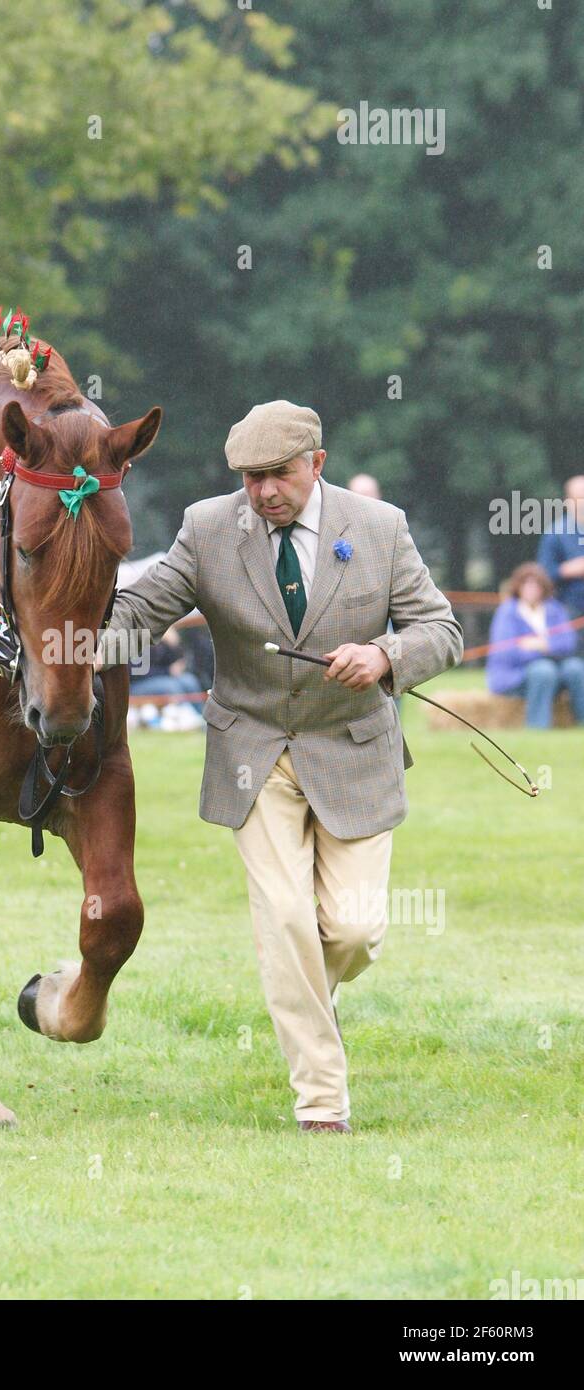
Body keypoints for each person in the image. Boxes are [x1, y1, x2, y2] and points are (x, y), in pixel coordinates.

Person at [99, 399, 463, 1134]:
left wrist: (385, 655)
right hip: (252, 755)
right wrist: (57, 640)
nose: (262, 491)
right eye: (249, 477)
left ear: (315, 465)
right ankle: (322, 1104)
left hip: (355, 753)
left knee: (353, 932)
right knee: (288, 918)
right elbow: (137, 614)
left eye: (277, 475)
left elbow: (441, 628)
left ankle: (294, 989)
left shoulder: (379, 527)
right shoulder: (207, 529)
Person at [485, 562, 584, 727]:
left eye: (536, 585)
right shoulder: (507, 612)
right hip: (514, 676)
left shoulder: (555, 609)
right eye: (527, 585)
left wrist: (542, 646)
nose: (531, 589)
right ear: (519, 587)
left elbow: (569, 642)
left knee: (575, 667)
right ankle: (538, 726)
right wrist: (546, 650)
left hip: (554, 670)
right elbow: (506, 652)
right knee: (543, 670)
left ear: (543, 588)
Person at [537, 475, 584, 620]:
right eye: (578, 498)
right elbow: (542, 575)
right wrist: (568, 569)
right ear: (567, 501)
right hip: (570, 610)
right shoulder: (555, 533)